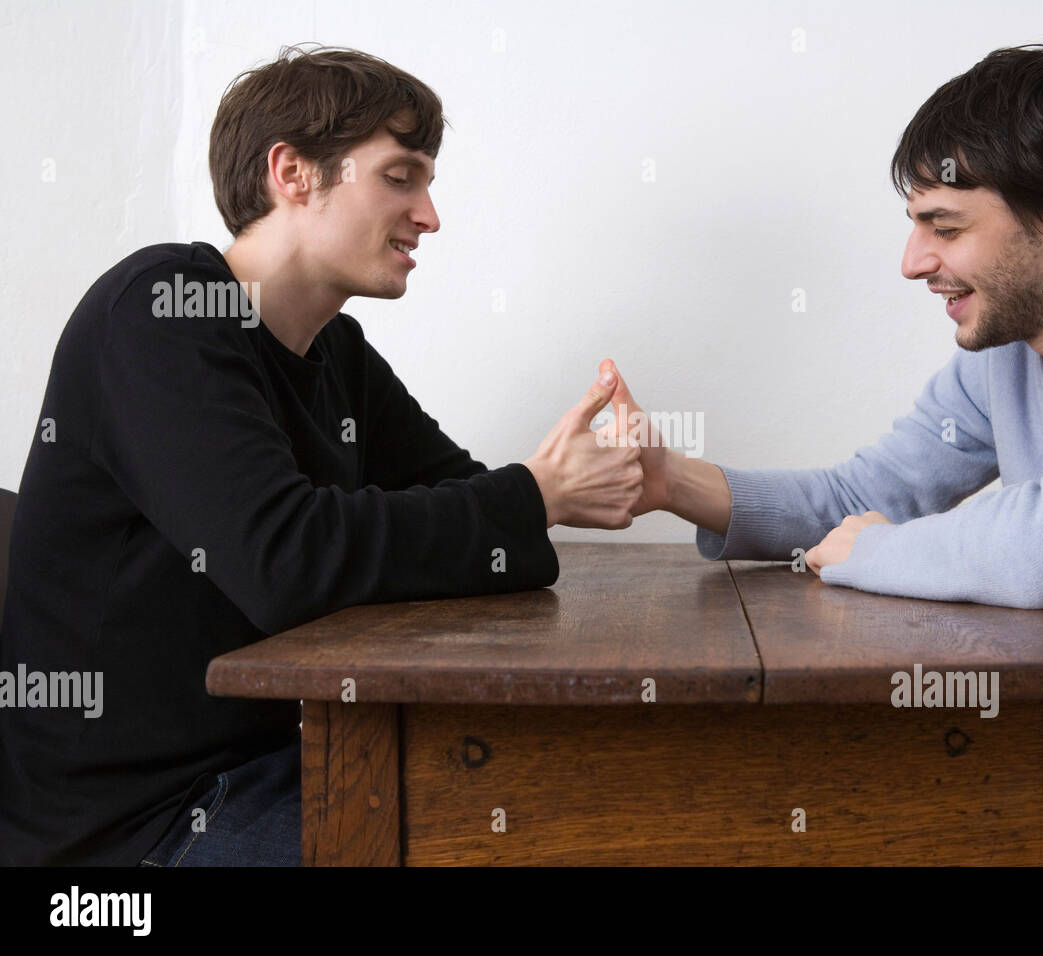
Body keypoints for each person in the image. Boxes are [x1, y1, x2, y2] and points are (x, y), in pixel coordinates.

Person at [606, 44, 1043, 866]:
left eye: (945, 227)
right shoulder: (1007, 353)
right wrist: (672, 480)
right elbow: (867, 495)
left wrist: (883, 548)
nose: (913, 263)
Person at [0, 44, 642, 866]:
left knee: (576, 806)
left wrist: (539, 494)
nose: (431, 216)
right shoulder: (159, 309)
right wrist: (534, 496)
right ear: (293, 173)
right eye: (401, 177)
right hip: (135, 832)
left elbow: (492, 534)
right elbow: (286, 561)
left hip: (282, 768)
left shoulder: (336, 351)